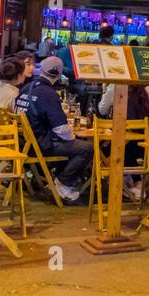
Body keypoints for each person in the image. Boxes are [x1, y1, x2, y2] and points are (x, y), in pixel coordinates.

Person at [16, 56, 93, 203]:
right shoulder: (48, 94)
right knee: (86, 148)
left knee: (73, 145)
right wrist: (72, 137)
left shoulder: (27, 87)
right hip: (41, 144)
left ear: (42, 70)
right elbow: (62, 129)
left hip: (24, 143)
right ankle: (63, 182)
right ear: (59, 75)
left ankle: (57, 177)